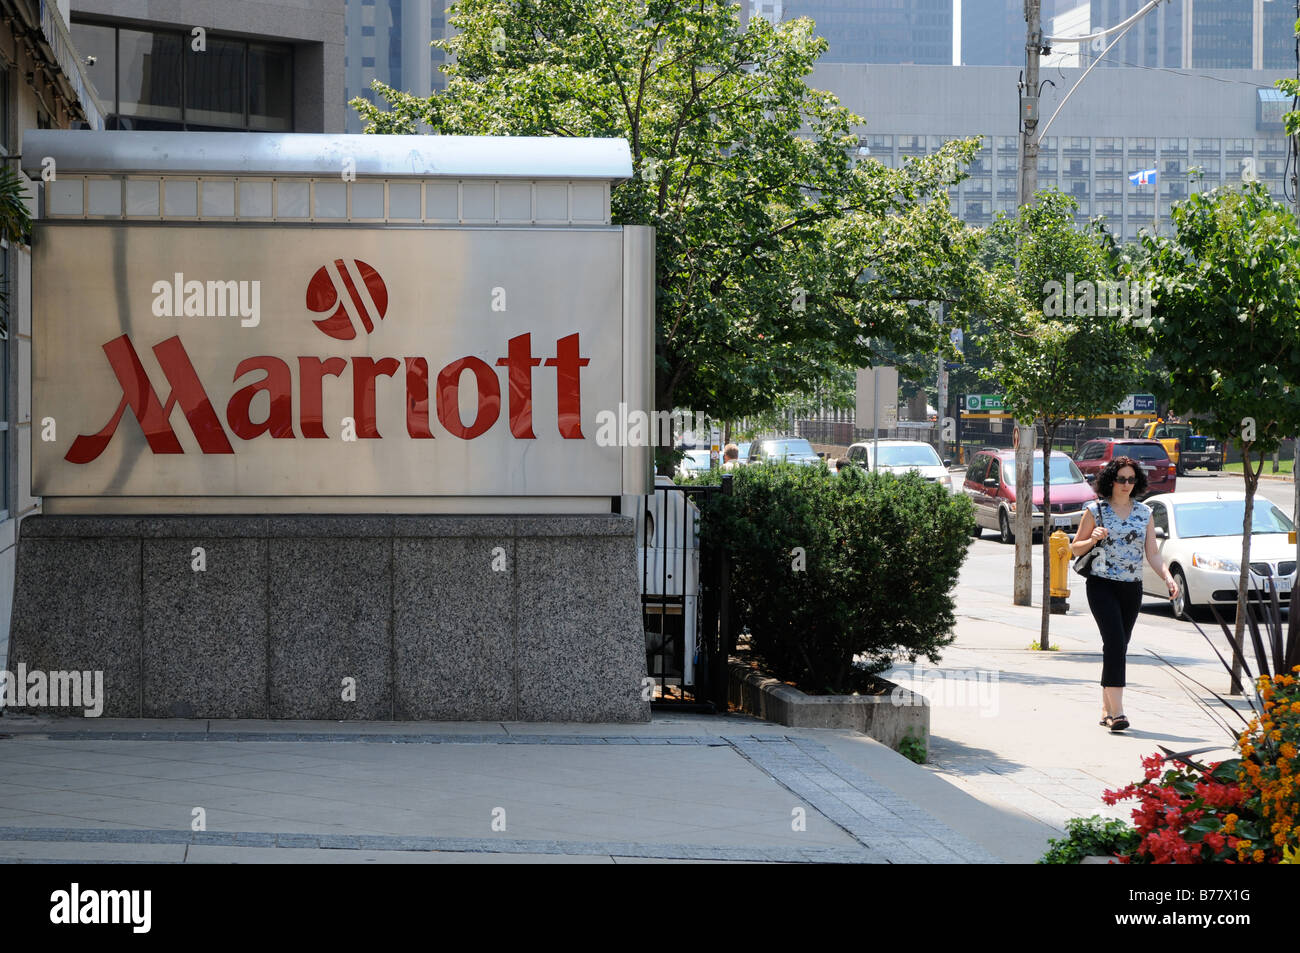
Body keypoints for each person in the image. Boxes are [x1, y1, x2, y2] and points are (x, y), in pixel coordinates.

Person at [1070, 455, 1179, 733]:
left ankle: (1106, 709)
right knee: (1116, 644)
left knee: (1119, 646)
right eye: (1121, 479)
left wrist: (1167, 578)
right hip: (1101, 584)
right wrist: (1092, 538)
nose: (1126, 484)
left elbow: (1152, 554)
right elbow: (1075, 549)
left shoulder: (1144, 513)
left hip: (1132, 587)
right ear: (1111, 481)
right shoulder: (1096, 510)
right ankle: (1118, 713)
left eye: (1131, 479)